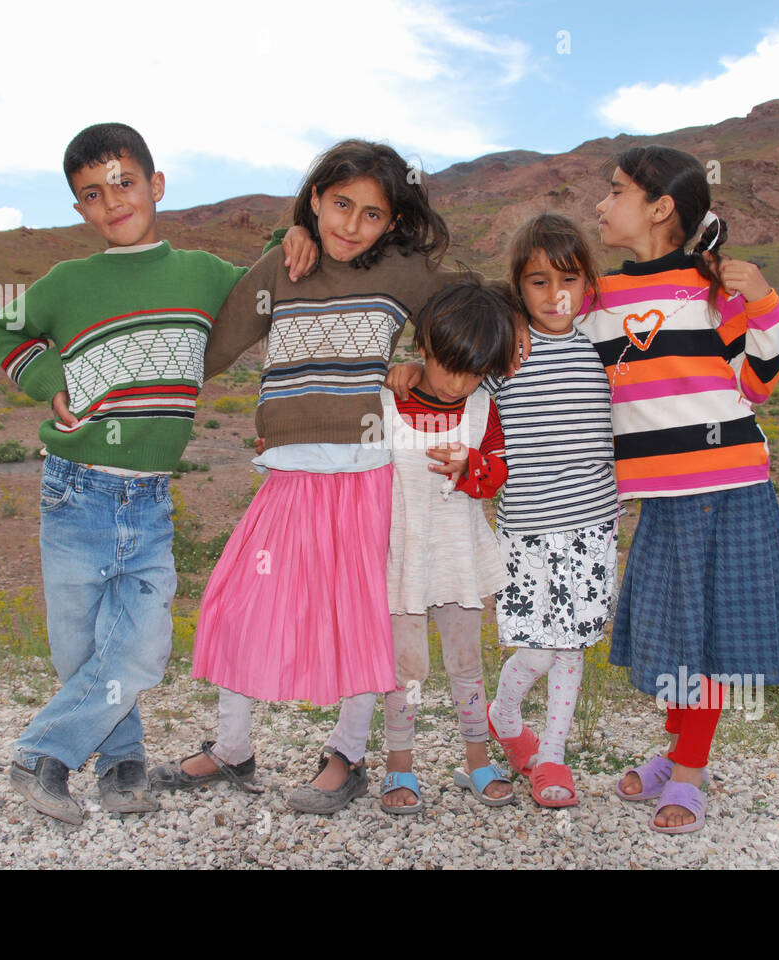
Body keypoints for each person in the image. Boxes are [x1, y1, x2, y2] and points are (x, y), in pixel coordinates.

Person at [149, 140, 529, 815]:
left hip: (365, 475)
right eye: (340, 205)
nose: (353, 225)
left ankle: (346, 756)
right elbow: (218, 346)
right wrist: (139, 388)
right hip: (289, 475)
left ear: (393, 222)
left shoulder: (403, 272)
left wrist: (494, 335)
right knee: (237, 606)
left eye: (374, 215)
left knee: (360, 623)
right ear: (315, 199)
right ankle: (233, 749)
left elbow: (466, 320)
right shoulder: (283, 263)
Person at [0, 122, 311, 825]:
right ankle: (124, 762)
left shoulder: (198, 272)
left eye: (124, 182)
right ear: (80, 210)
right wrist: (48, 379)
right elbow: (4, 330)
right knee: (83, 647)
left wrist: (290, 239)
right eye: (92, 194)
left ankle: (41, 752)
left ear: (156, 185)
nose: (112, 201)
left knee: (140, 645)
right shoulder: (66, 283)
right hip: (74, 489)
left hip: (150, 499)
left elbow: (264, 285)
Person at [584, 144, 779, 833]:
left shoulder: (715, 291)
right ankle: (684, 753)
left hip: (730, 487)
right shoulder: (601, 302)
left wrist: (764, 300)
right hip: (663, 499)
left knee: (705, 643)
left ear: (660, 208)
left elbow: (758, 383)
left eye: (615, 190)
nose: (601, 203)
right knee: (679, 637)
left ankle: (686, 775)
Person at [388, 214, 620, 809]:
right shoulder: (504, 356)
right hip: (527, 528)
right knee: (542, 644)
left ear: (588, 281)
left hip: (593, 523)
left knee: (571, 646)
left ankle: (552, 759)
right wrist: (412, 373)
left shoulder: (604, 339)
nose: (556, 295)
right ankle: (506, 716)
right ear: (518, 288)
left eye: (568, 278)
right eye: (537, 282)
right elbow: (459, 395)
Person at [377, 279, 517, 814]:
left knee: (466, 662)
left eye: (476, 371)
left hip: (459, 559)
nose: (460, 382)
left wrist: (471, 468)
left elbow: (497, 476)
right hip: (402, 561)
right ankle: (400, 767)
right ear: (425, 347)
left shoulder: (483, 410)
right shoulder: (388, 397)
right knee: (406, 669)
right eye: (450, 365)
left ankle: (477, 761)